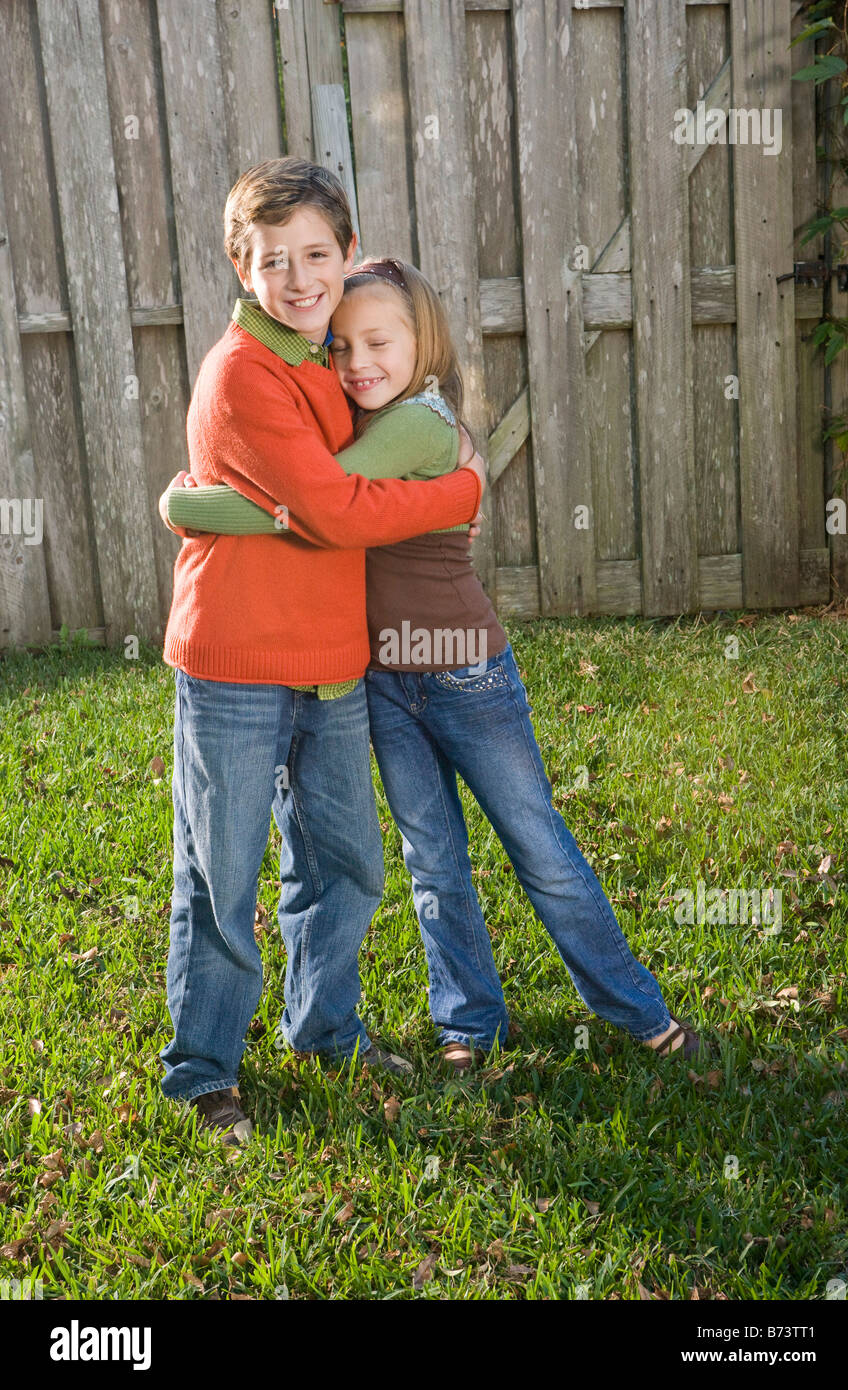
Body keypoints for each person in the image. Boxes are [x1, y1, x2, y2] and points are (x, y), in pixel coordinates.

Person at [163, 255, 705, 1077]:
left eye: (379, 341)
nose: (357, 362)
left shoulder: (418, 425)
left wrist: (184, 503)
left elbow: (319, 503)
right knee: (432, 861)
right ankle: (469, 1023)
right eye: (341, 346)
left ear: (426, 343)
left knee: (538, 849)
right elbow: (315, 495)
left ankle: (640, 1012)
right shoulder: (355, 418)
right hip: (382, 677)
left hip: (461, 671)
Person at [157, 161, 485, 1146]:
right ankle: (203, 1072)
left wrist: (211, 504)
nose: (298, 276)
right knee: (222, 876)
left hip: (334, 661)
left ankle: (324, 1026)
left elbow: (357, 476)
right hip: (234, 664)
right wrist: (463, 494)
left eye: (315, 254)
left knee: (343, 864)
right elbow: (340, 512)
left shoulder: (331, 359)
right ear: (239, 266)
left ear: (348, 255)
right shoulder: (243, 372)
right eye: (271, 259)